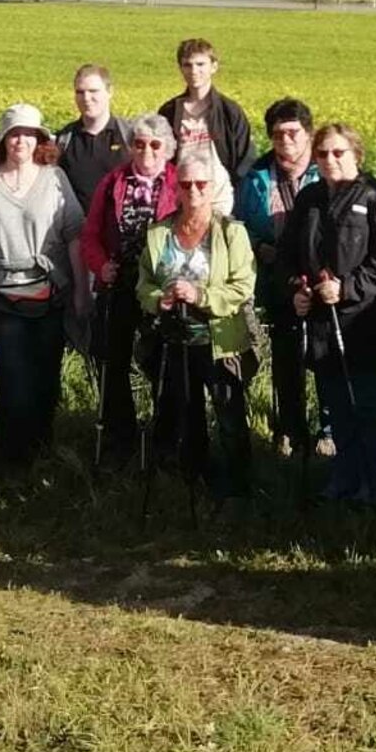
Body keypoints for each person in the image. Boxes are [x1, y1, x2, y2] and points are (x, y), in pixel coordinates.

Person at [276, 122, 376, 506]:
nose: (330, 160)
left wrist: (348, 287)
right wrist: (295, 289)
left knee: (369, 409)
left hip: (368, 324)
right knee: (337, 409)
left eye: (339, 153)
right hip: (322, 324)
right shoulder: (309, 198)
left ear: (356, 155)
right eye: (323, 154)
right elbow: (287, 253)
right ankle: (344, 478)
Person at [0, 104, 86, 466]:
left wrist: (80, 291)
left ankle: (42, 451)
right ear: (3, 140)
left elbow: (75, 235)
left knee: (45, 379)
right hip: (3, 294)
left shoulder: (56, 179)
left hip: (50, 292)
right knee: (11, 380)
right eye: (14, 134)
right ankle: (12, 457)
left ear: (39, 139)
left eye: (28, 134)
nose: (21, 140)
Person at [136, 147, 258, 501]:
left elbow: (242, 286)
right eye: (185, 184)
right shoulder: (158, 232)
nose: (193, 192)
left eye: (201, 185)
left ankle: (239, 491)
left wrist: (200, 295)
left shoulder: (231, 232)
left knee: (230, 418)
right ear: (176, 187)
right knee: (187, 416)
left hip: (221, 340)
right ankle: (195, 484)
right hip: (174, 339)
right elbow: (143, 282)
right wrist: (160, 299)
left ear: (213, 187)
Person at [79, 113, 179, 462]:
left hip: (160, 285)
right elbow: (90, 235)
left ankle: (165, 437)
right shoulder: (112, 183)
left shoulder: (179, 183)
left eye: (155, 145)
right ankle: (120, 435)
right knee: (112, 359)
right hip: (119, 282)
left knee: (160, 360)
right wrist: (100, 265)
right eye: (139, 144)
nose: (147, 151)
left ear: (168, 149)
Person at [238, 97, 322, 459]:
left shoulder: (325, 170)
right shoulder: (256, 176)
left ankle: (328, 429)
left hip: (321, 277)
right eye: (276, 134)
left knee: (324, 355)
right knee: (286, 356)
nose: (285, 141)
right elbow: (239, 224)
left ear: (308, 134)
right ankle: (289, 428)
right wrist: (258, 246)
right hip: (276, 276)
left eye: (292, 133)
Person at [159, 38, 253, 187]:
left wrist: (235, 190)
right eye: (187, 65)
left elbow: (245, 158)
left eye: (200, 64)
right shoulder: (169, 111)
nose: (194, 71)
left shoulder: (230, 111)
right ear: (180, 68)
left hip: (219, 195)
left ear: (214, 67)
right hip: (180, 192)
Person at [54, 64, 134, 213]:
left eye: (93, 91)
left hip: (120, 230)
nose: (86, 98)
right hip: (78, 231)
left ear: (110, 92)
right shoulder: (64, 140)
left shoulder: (129, 136)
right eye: (80, 92)